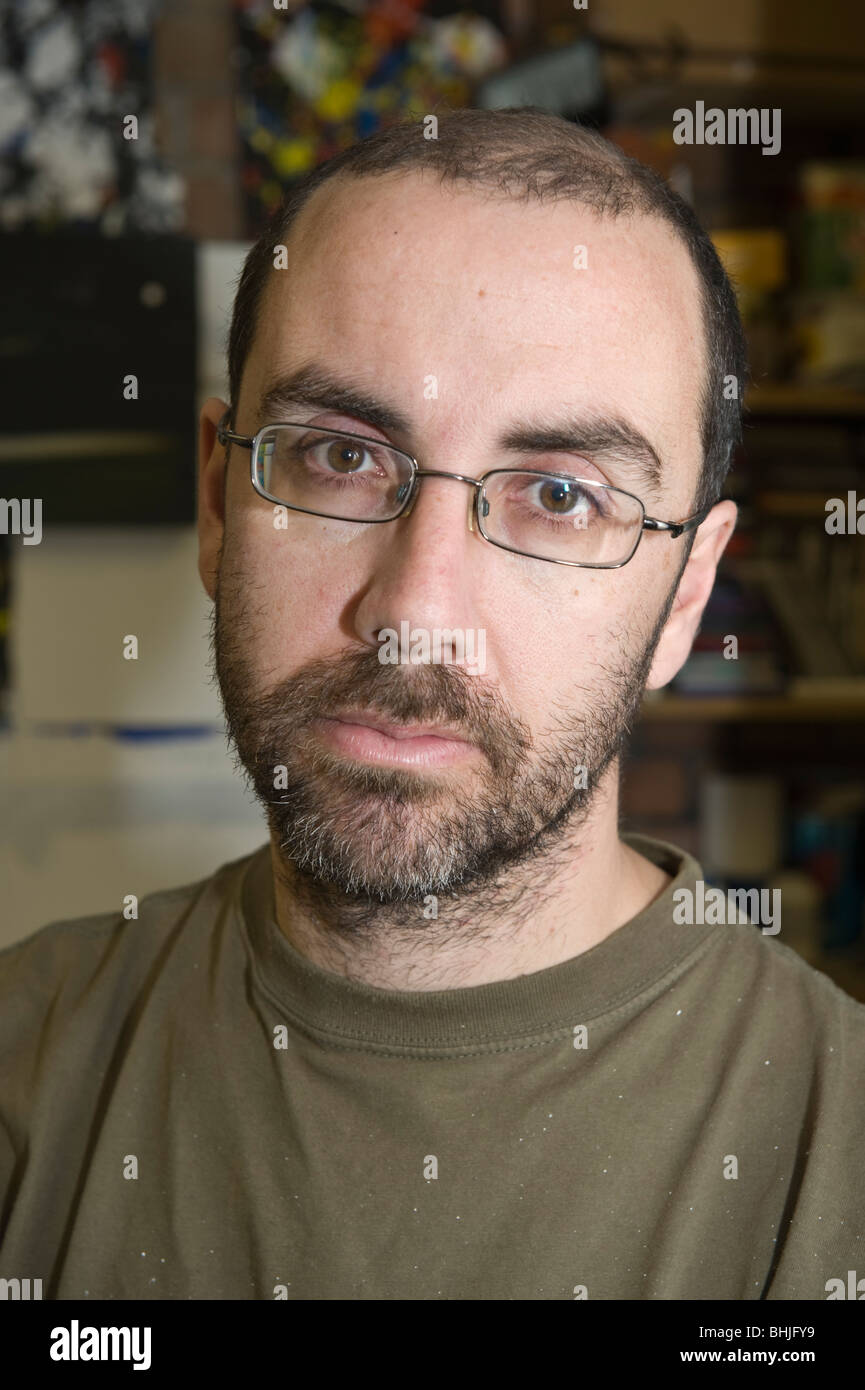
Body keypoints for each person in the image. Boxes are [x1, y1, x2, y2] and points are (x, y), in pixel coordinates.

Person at [2, 108, 862, 1301]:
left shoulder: (837, 1168)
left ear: (684, 596)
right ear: (217, 502)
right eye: (341, 457)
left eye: (559, 494)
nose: (416, 608)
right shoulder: (23, 1069)